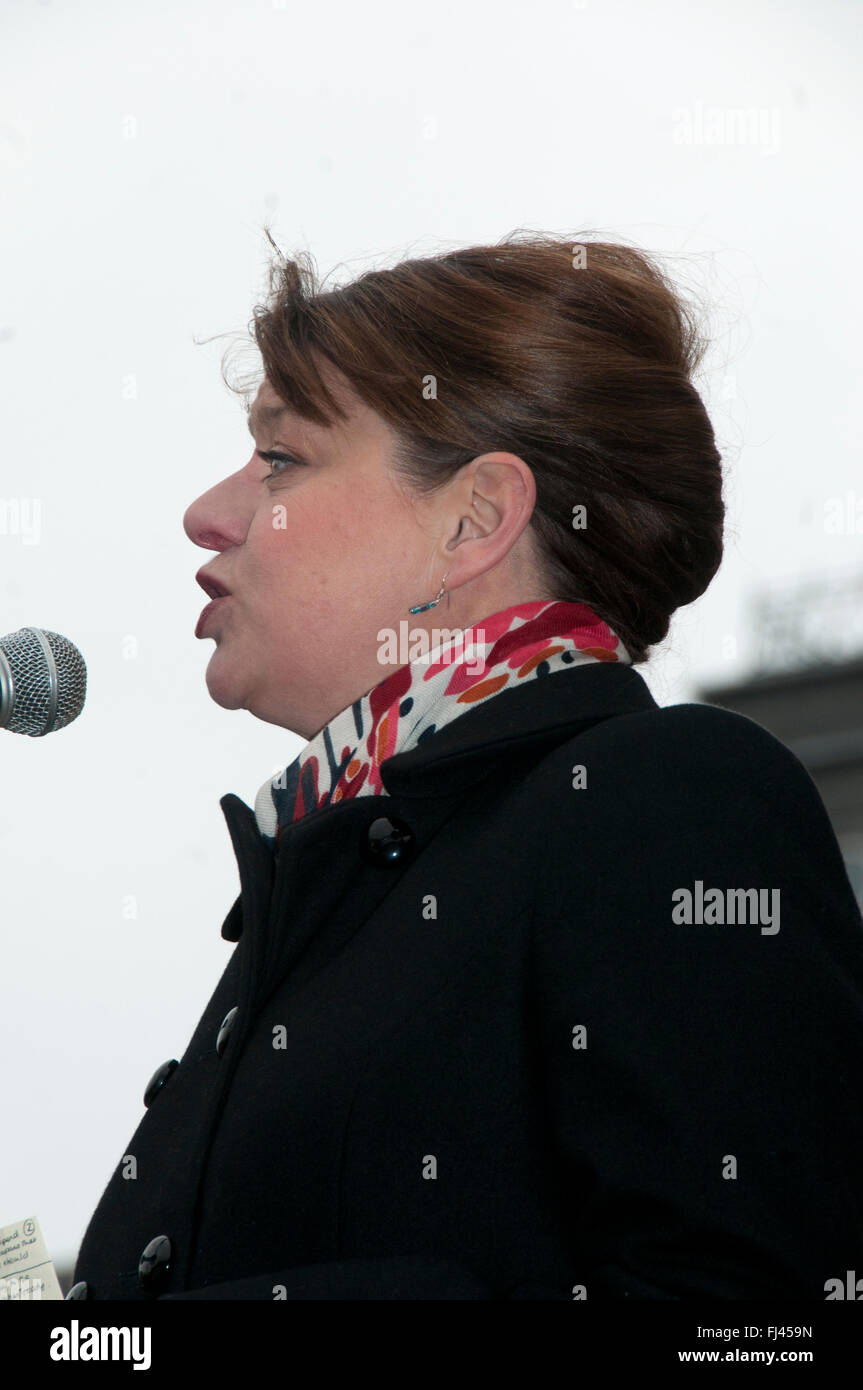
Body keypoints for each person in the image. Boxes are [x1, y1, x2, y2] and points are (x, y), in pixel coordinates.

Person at [69, 232, 863, 1300]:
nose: (208, 512)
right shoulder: (316, 886)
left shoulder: (663, 796)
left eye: (281, 458)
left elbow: (755, 1320)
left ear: (475, 518)